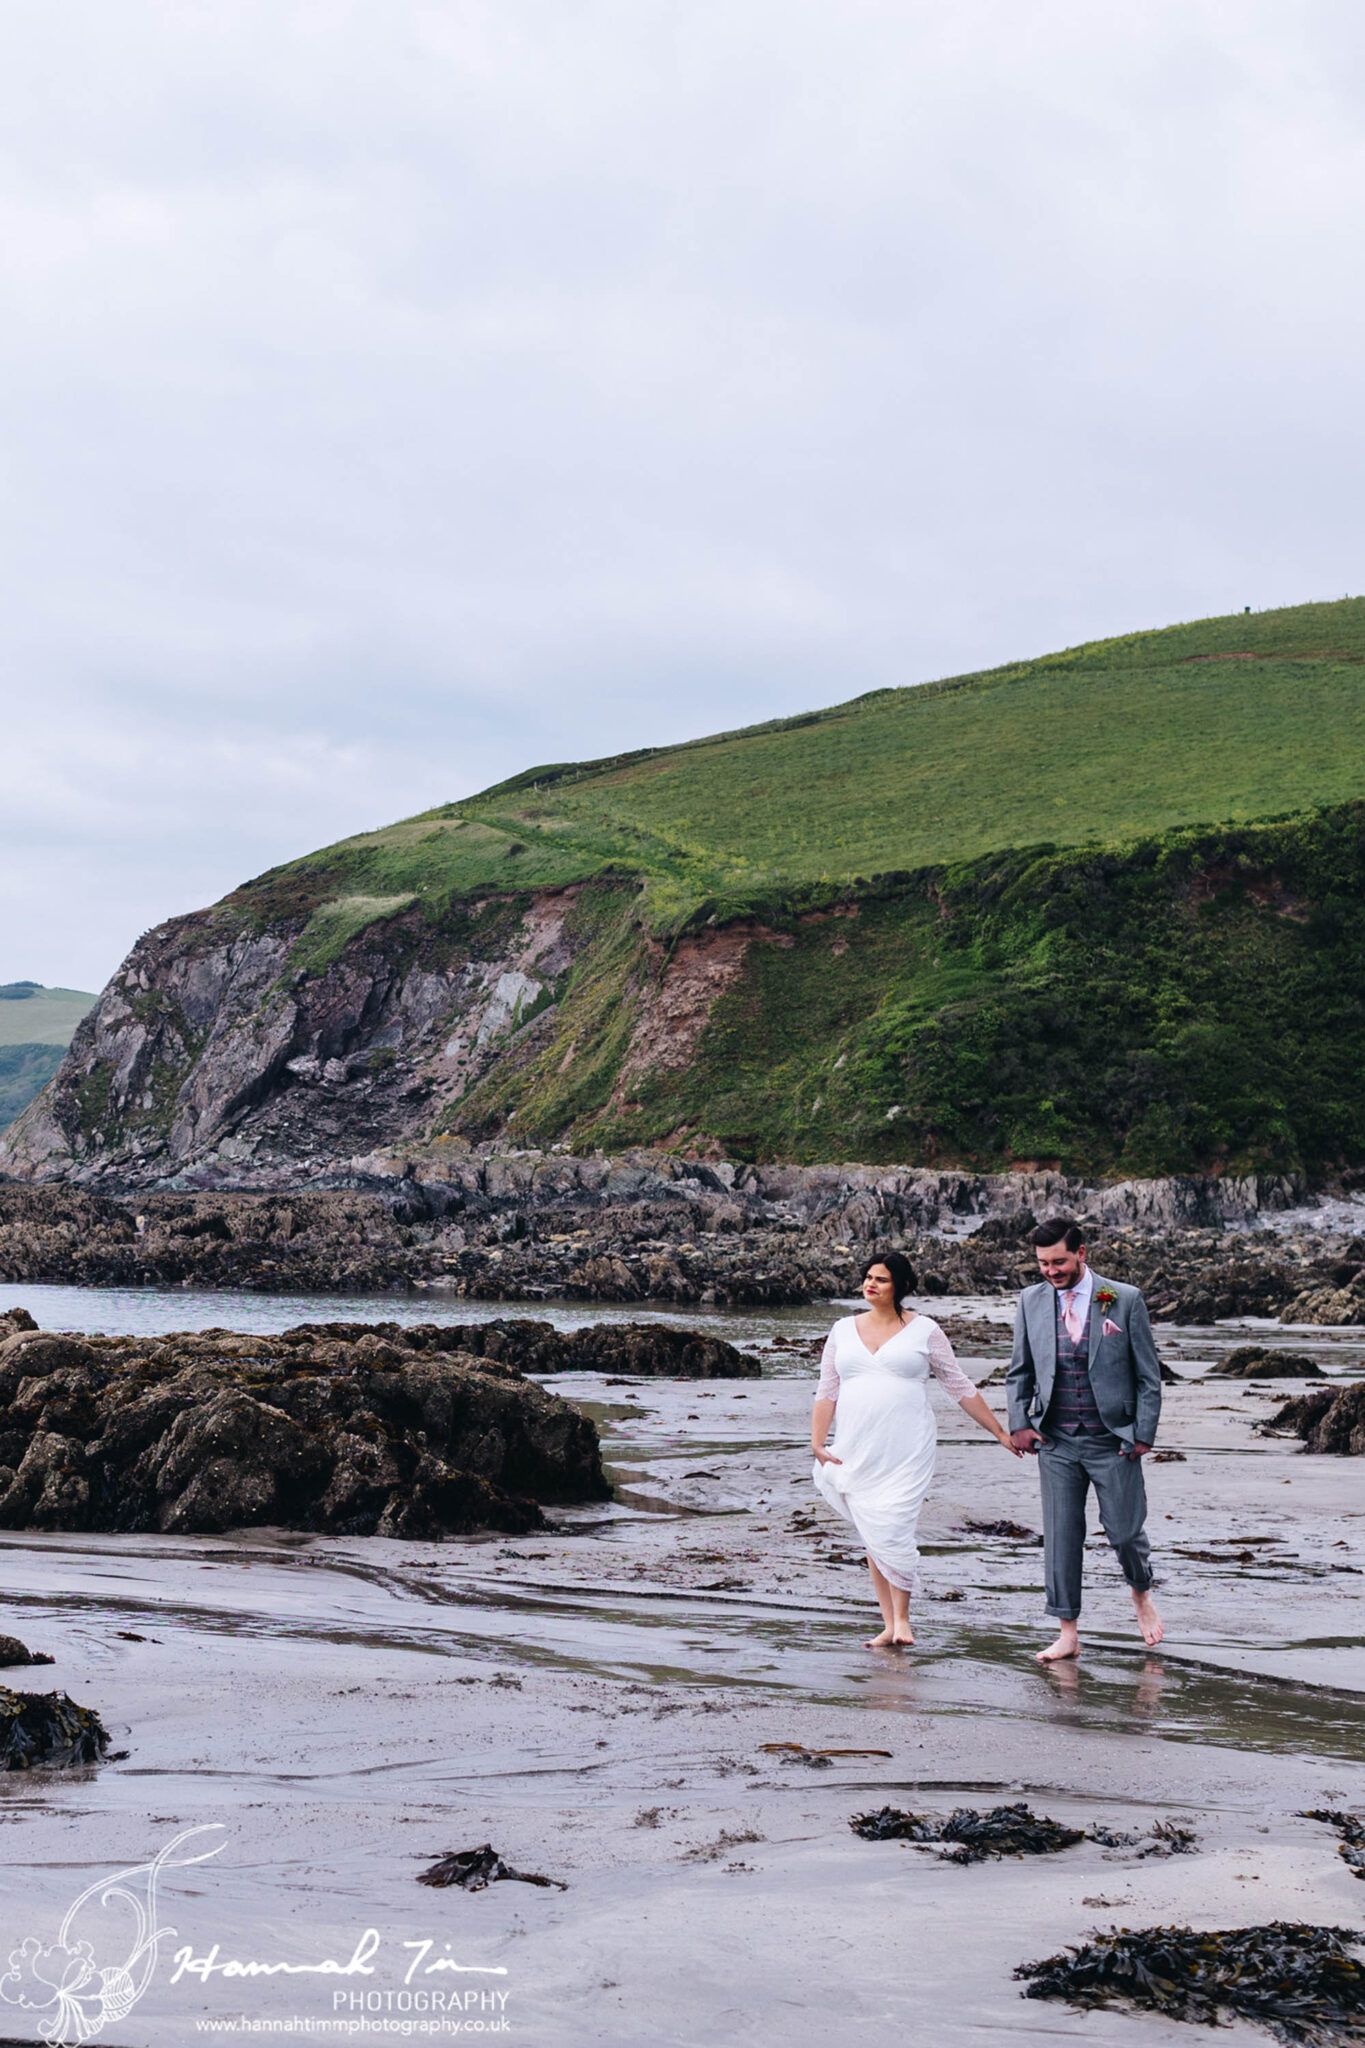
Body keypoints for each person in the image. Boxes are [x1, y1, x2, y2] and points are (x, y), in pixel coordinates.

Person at [811, 1250, 1021, 1648]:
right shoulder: (842, 1329)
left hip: (907, 1444)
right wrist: (817, 1442)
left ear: (902, 1286)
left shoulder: (924, 1330)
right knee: (874, 1530)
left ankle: (904, 1621)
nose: (870, 1284)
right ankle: (888, 1624)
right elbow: (827, 1390)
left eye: (882, 1279)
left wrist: (998, 1432)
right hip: (857, 1444)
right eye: (868, 1277)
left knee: (895, 1526)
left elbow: (958, 1385)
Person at [1007, 1216, 1165, 1663]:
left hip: (1113, 1441)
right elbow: (1019, 1371)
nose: (1051, 1271)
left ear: (1081, 1253)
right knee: (1061, 1535)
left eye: (1058, 1261)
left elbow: (1148, 1377)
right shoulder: (1030, 1301)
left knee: (1125, 1532)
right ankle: (1067, 1632)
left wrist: (1143, 1436)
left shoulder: (1124, 1300)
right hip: (1055, 1440)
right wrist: (1020, 1422)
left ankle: (1141, 1593)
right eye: (1042, 1263)